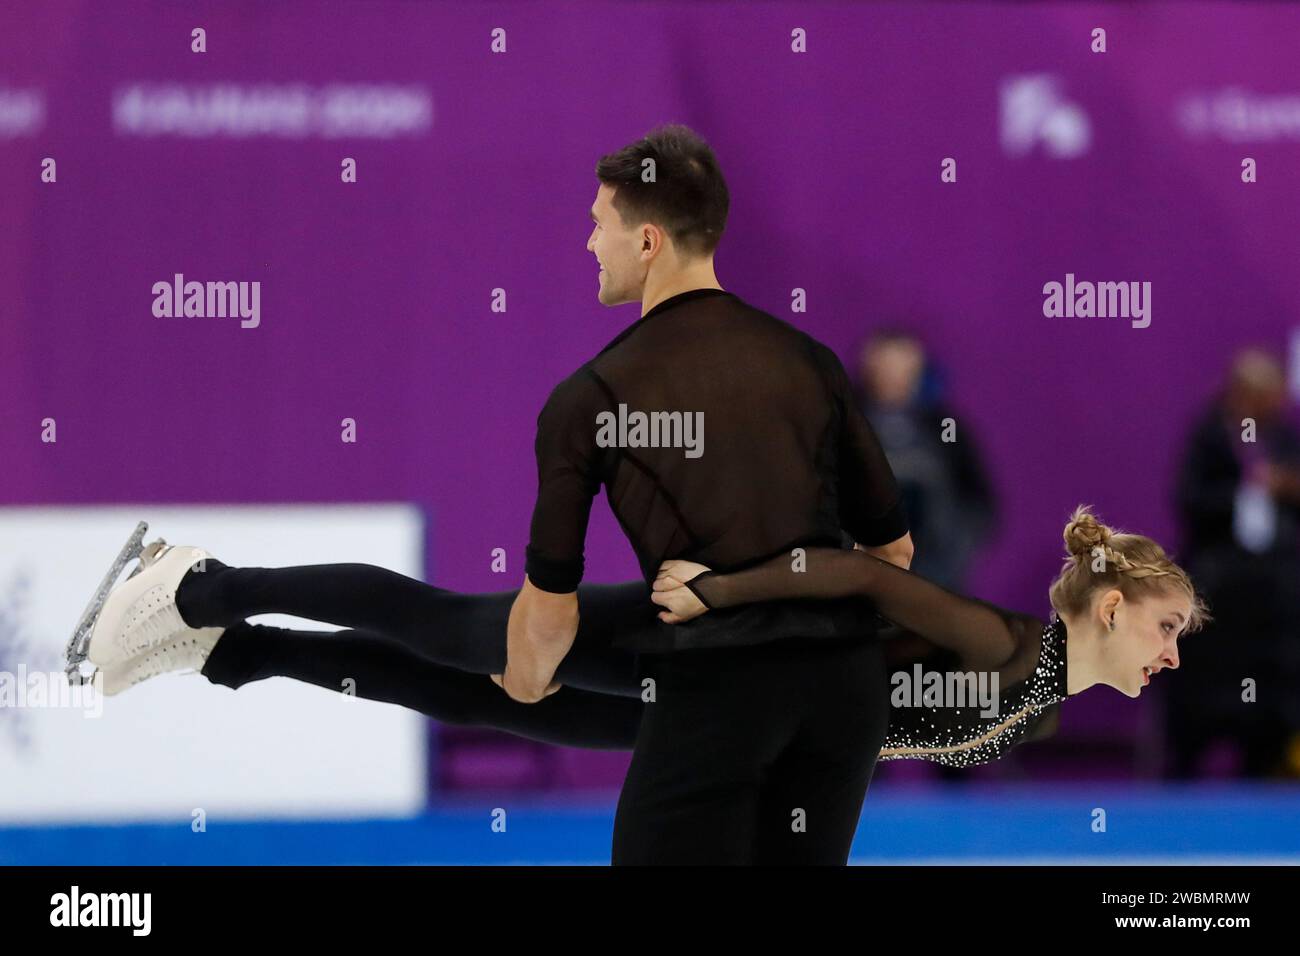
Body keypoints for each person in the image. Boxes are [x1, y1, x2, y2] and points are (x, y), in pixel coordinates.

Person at [89, 506, 1206, 785]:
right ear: (1107, 606)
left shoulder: (1043, 701)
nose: (1170, 654)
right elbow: (860, 577)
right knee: (461, 629)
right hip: (707, 652)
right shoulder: (1008, 649)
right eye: (1165, 627)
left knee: (478, 697)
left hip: (717, 726)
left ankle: (231, 651)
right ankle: (200, 582)